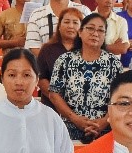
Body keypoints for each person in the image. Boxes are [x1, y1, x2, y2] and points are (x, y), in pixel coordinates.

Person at [47, 13, 122, 143]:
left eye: (100, 30)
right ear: (80, 32)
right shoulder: (65, 60)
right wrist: (74, 118)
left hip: (104, 130)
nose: (95, 33)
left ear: (104, 36)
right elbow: (54, 94)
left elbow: (121, 97)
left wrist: (104, 121)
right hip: (69, 128)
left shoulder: (114, 63)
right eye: (90, 28)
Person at [23, 0, 89, 53]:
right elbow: (33, 47)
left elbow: (89, 43)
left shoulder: (84, 11)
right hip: (46, 64)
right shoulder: (36, 15)